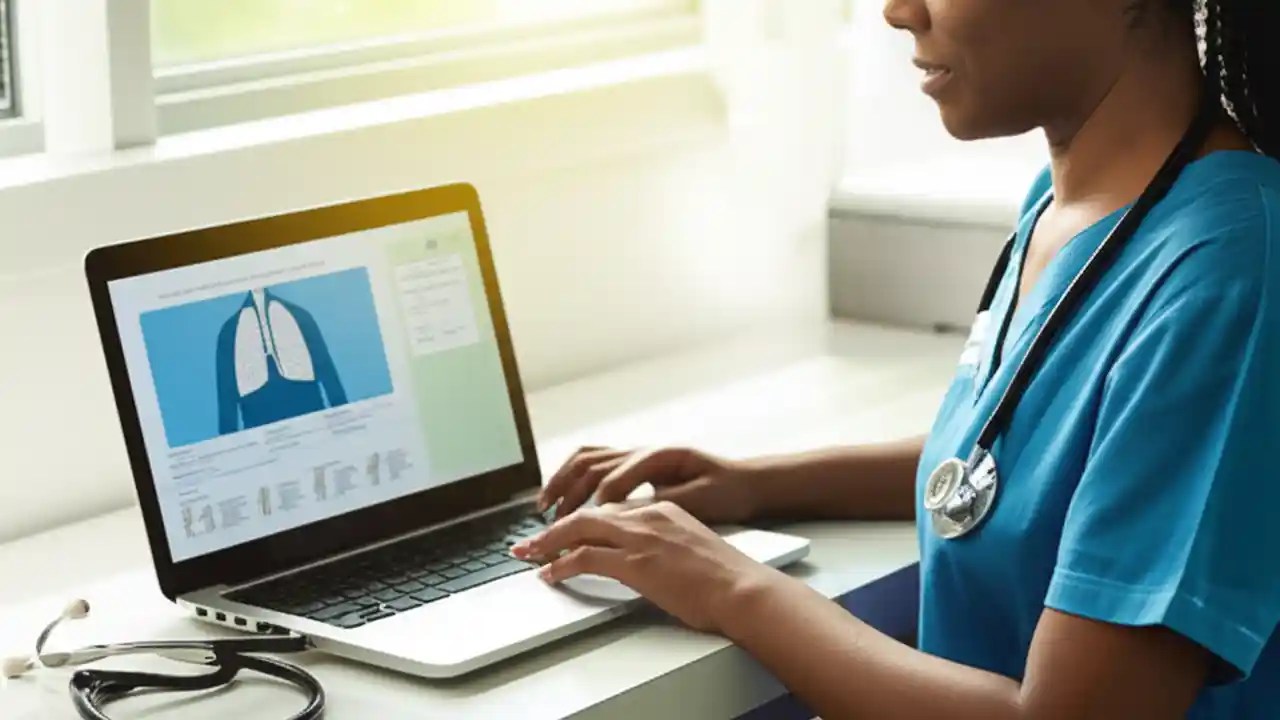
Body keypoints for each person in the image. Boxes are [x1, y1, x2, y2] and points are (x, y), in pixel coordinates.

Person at [512, 0, 1280, 717]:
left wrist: (728, 586)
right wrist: (754, 485)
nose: (898, 11)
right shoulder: (1066, 204)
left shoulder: (1228, 273)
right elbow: (1027, 463)